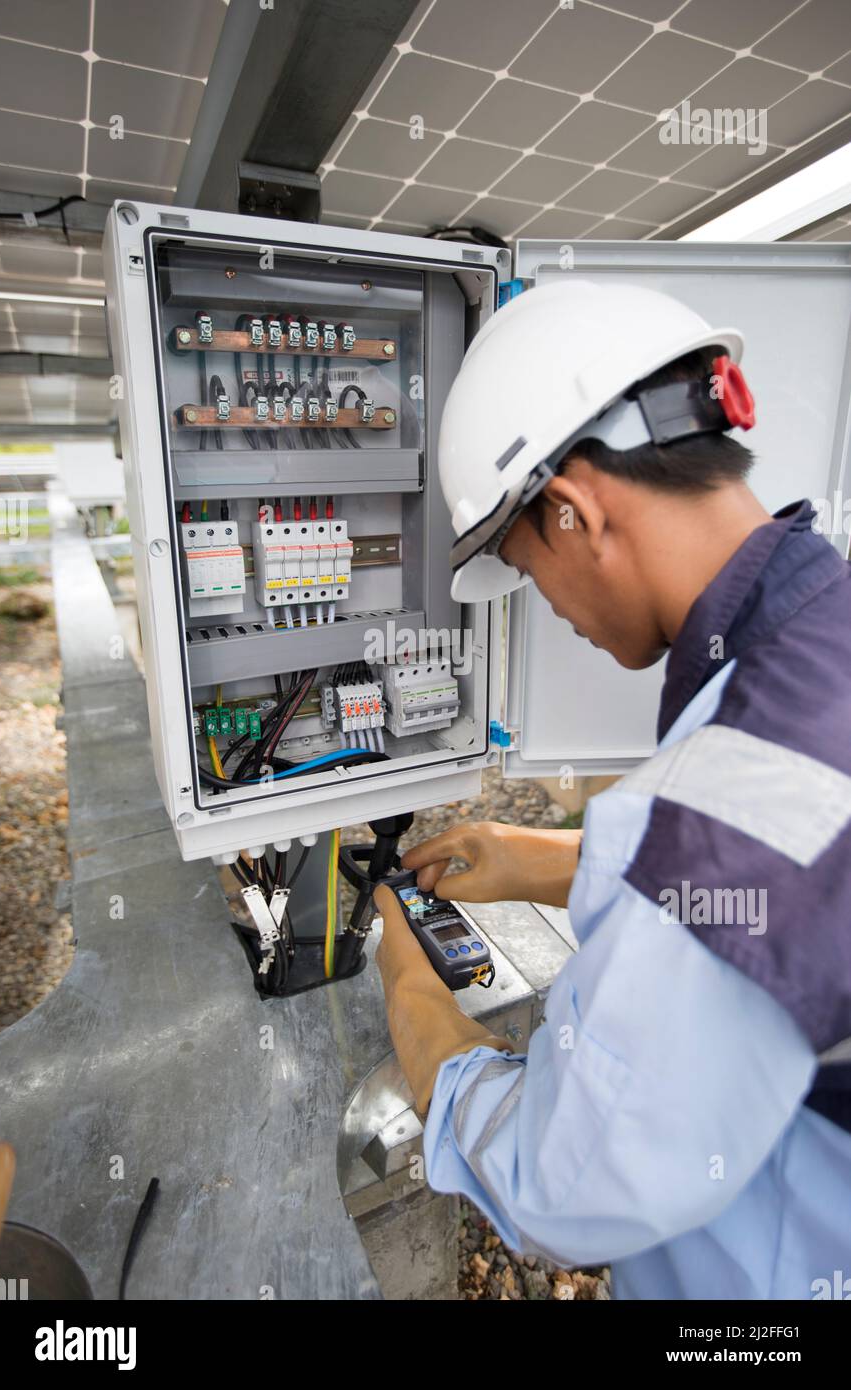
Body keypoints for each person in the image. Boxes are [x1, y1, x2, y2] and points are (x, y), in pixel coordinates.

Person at [373, 279, 851, 1300]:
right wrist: (545, 859)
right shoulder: (823, 634)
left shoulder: (721, 796)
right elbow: (802, 877)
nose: (551, 609)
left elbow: (567, 1177)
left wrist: (416, 1008)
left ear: (573, 509)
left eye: (527, 569)